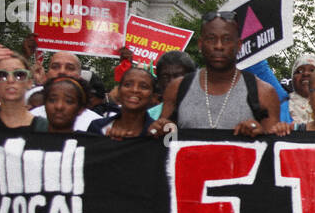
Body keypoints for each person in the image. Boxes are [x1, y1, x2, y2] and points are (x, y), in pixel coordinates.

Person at [148, 11, 279, 137]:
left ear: (239, 45)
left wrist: (260, 134)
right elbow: (163, 145)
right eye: (211, 39)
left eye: (227, 39)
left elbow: (271, 152)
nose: (219, 46)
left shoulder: (263, 93)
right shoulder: (177, 88)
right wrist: (159, 130)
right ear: (200, 44)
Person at [28, 51, 98, 131]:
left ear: (79, 76)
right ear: (47, 74)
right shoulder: (30, 119)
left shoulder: (95, 123)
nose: (62, 71)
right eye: (55, 67)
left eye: (70, 68)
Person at [89, 67, 155, 138]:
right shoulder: (97, 127)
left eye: (143, 87)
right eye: (128, 85)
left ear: (152, 95)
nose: (135, 90)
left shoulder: (157, 133)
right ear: (119, 90)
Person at [147, 51, 196, 120]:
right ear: (158, 81)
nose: (172, 82)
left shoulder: (205, 113)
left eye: (177, 76)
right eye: (165, 77)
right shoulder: (149, 116)